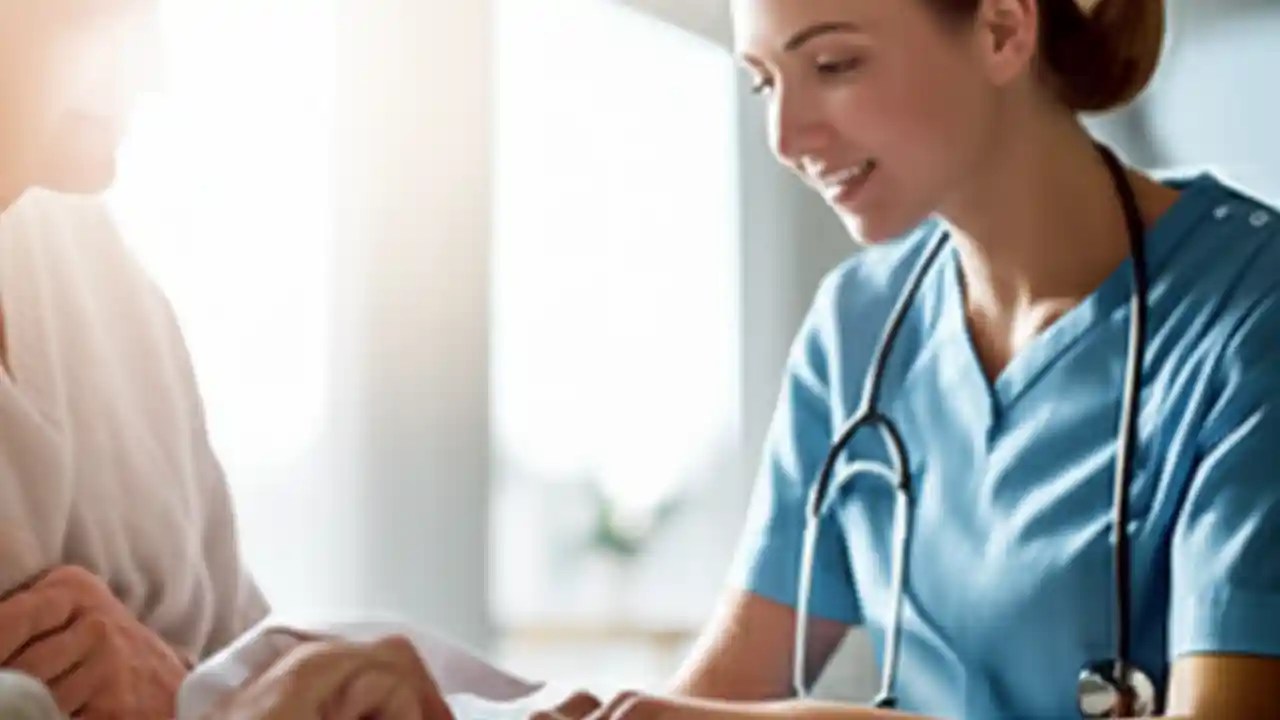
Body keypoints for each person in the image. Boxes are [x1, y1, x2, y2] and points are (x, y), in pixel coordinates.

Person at [224, 0, 1280, 718]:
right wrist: (447, 704)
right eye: (762, 82)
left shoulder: (1249, 314)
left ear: (1003, 27)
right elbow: (711, 700)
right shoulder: (857, 328)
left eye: (833, 65)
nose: (786, 134)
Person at [0, 1, 267, 717]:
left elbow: (247, 654)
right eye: (100, 11)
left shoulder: (104, 282)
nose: (155, 75)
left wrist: (185, 688)